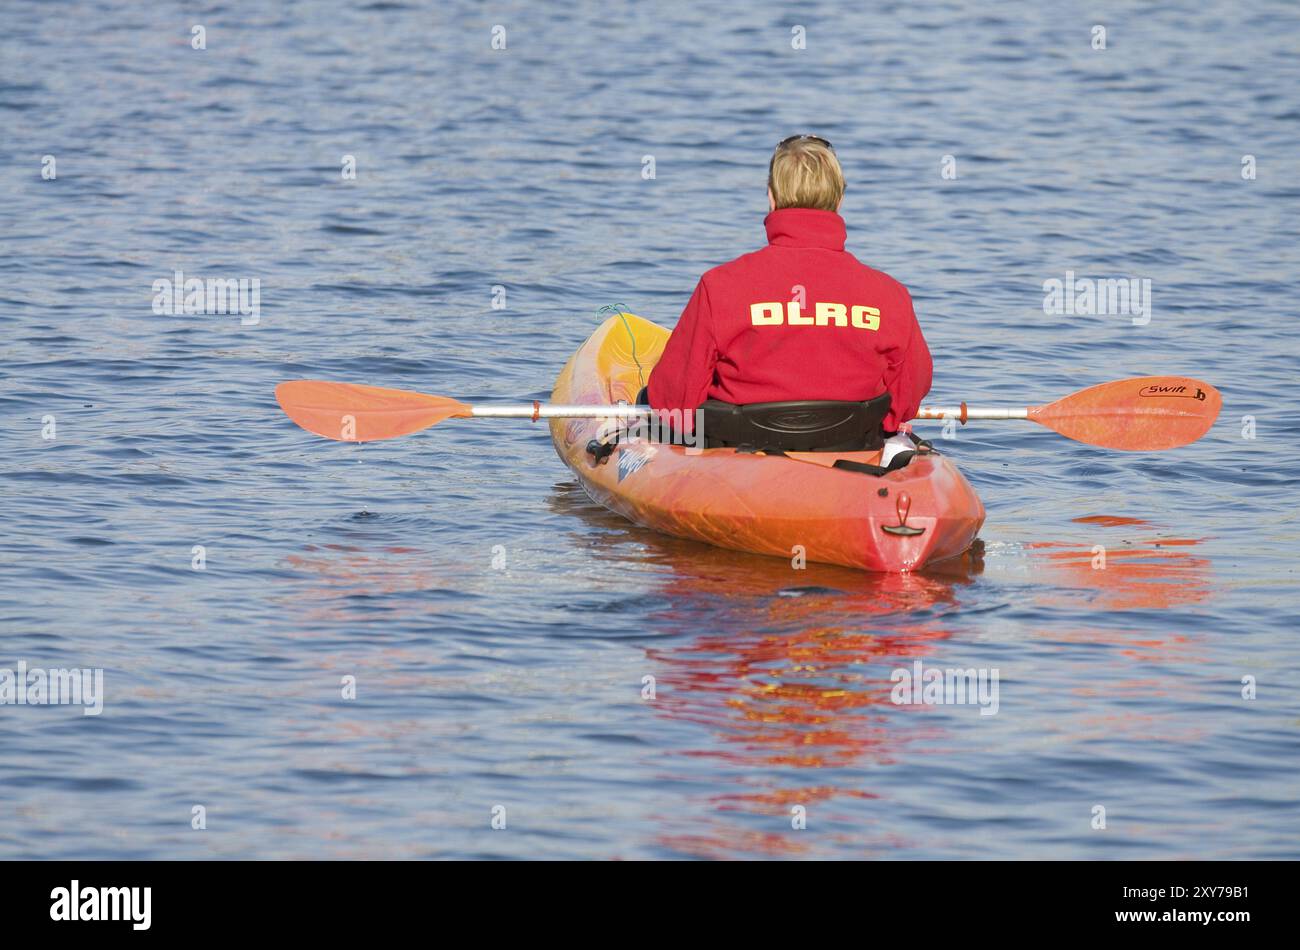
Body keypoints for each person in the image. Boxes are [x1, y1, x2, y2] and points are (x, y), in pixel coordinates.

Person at [645, 134, 932, 449]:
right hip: (853, 460)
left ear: (771, 197)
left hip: (736, 464)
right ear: (839, 201)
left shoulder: (720, 286)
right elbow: (905, 401)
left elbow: (674, 403)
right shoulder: (891, 296)